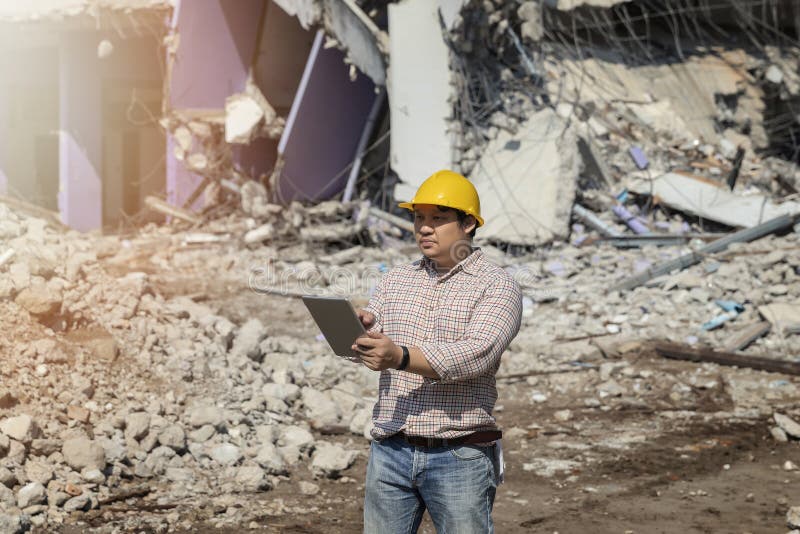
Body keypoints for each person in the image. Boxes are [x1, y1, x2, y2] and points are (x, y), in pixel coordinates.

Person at [352, 169, 523, 534]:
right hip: (391, 449)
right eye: (419, 218)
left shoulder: (497, 286)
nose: (424, 228)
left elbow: (477, 354)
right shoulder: (398, 279)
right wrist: (362, 330)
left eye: (438, 219)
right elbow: (376, 334)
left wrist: (398, 356)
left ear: (468, 225)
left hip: (459, 455)